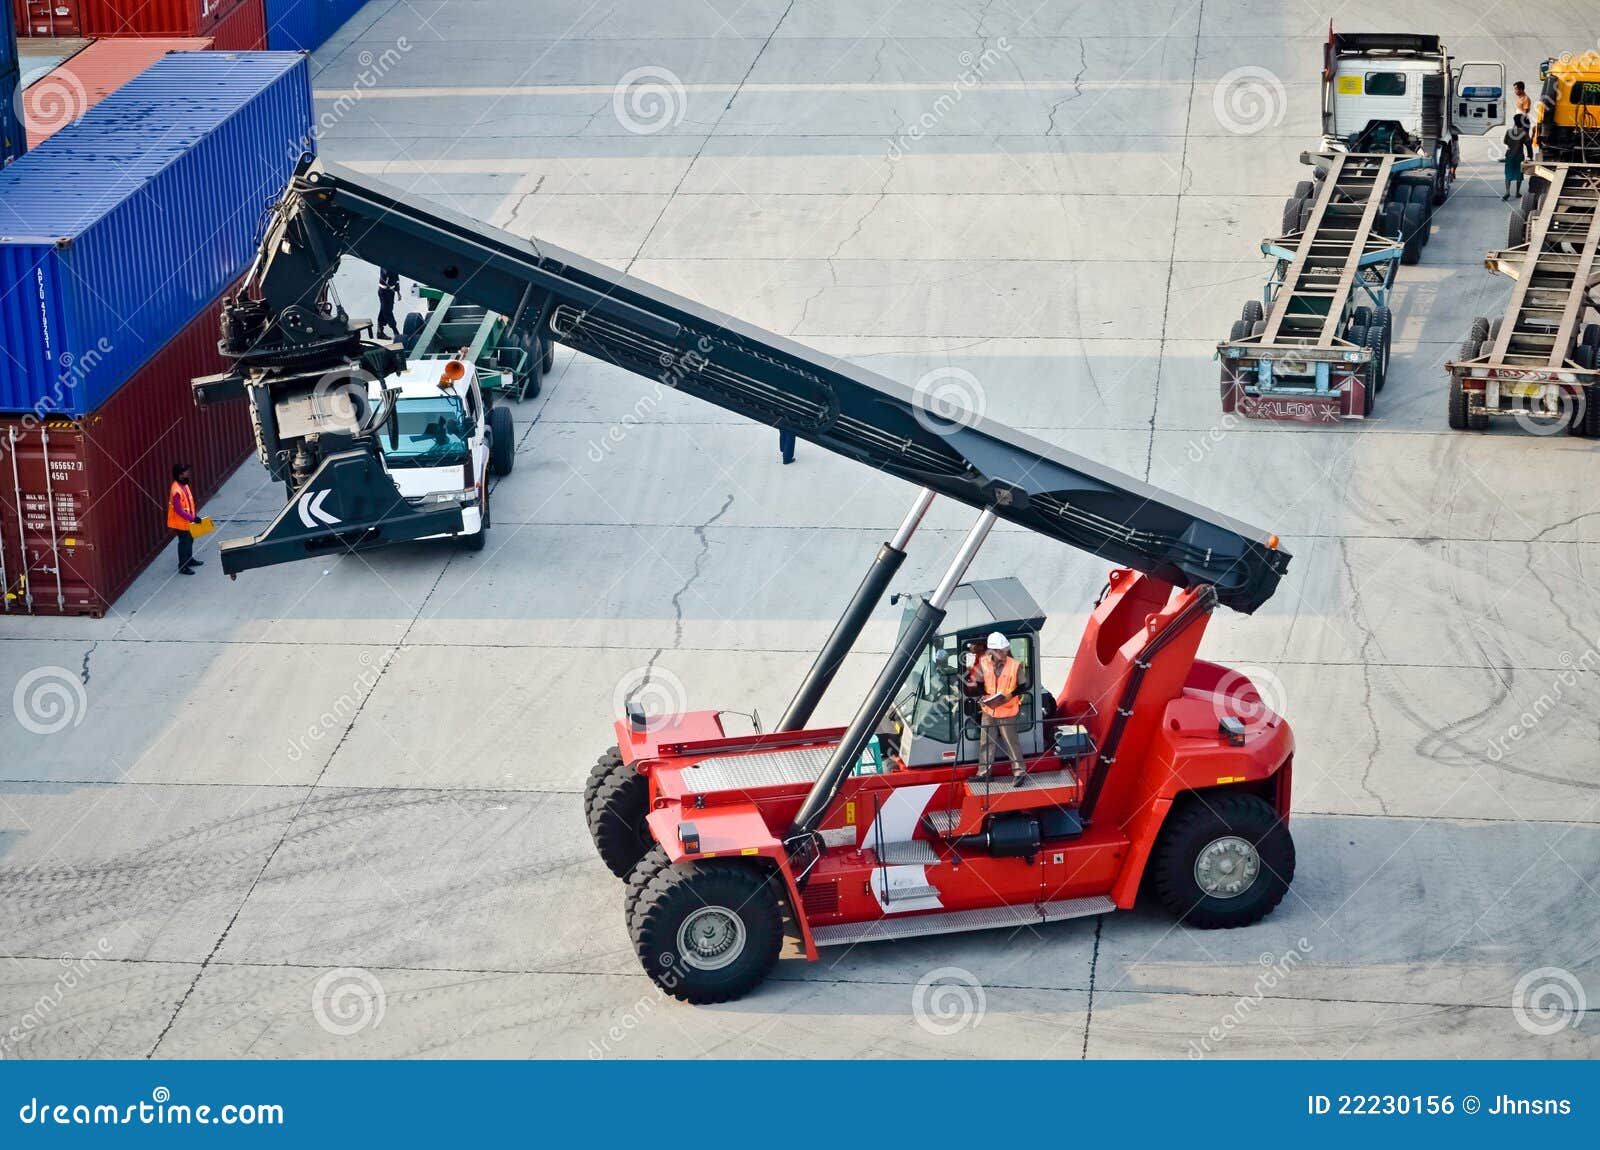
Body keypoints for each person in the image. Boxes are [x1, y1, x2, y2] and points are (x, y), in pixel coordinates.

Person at [970, 631, 1027, 786]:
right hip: (989, 710)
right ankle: (984, 773)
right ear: (992, 651)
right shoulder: (984, 662)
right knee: (986, 742)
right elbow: (980, 684)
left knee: (1011, 742)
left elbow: (1023, 686)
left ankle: (1020, 772)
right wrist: (981, 696)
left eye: (1005, 650)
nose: (1004, 652)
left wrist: (1010, 695)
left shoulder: (1014, 665)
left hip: (1007, 711)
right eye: (1001, 650)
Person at [167, 463, 202, 575]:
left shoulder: (184, 485)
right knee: (184, 542)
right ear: (180, 474)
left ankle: (189, 560)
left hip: (187, 520)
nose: (188, 472)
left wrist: (194, 515)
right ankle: (183, 566)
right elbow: (178, 510)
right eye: (186, 471)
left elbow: (188, 503)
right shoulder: (176, 490)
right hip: (180, 523)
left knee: (190, 539)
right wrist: (192, 518)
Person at [1503, 114, 1532, 201]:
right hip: (1519, 156)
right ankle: (1517, 192)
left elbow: (1505, 142)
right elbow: (1528, 145)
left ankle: (1507, 192)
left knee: (1508, 173)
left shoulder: (1509, 131)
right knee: (1519, 174)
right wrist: (1530, 155)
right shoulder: (1524, 133)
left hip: (1509, 155)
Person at [376, 268, 401, 340]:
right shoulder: (385, 263)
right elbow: (386, 272)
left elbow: (397, 279)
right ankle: (395, 331)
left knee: (384, 310)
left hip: (391, 291)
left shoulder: (394, 264)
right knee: (387, 311)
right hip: (384, 291)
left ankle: (379, 331)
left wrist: (398, 292)